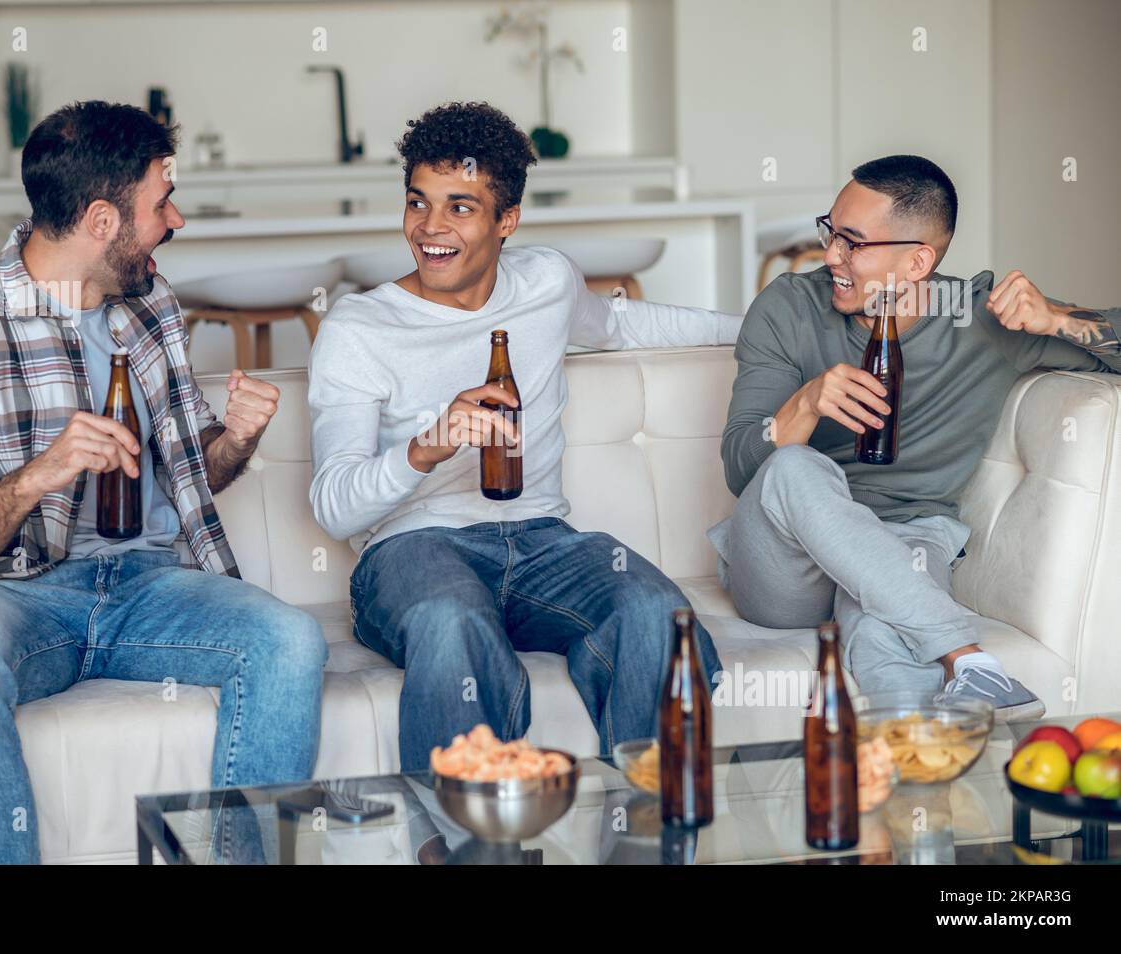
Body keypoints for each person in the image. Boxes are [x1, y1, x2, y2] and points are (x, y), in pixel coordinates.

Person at [0, 101, 328, 863]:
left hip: (150, 587)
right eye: (161, 203)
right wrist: (41, 475)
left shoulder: (152, 305)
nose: (177, 220)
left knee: (289, 640)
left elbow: (199, 469)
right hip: (17, 596)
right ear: (102, 220)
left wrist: (239, 439)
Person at [308, 101, 740, 771]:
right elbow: (334, 507)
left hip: (542, 540)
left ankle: (650, 829)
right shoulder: (359, 327)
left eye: (460, 207)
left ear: (506, 220)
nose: (430, 229)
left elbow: (627, 326)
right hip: (412, 550)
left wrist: (754, 327)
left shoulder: (545, 282)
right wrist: (427, 446)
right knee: (452, 625)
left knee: (655, 611)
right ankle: (469, 844)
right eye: (418, 203)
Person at [711, 154, 1121, 720]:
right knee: (793, 469)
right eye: (830, 231)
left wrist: (1058, 319)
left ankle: (910, 783)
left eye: (853, 242)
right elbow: (740, 468)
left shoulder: (982, 320)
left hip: (908, 536)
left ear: (918, 261)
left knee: (885, 632)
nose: (831, 255)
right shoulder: (788, 307)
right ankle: (969, 659)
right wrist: (804, 403)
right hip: (787, 564)